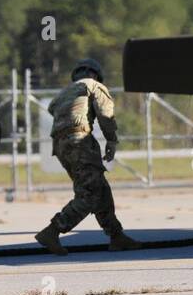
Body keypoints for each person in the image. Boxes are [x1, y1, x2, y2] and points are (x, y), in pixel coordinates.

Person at [34, 58, 140, 255]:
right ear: (96, 75)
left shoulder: (63, 93)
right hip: (80, 141)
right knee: (90, 193)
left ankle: (116, 236)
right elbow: (105, 114)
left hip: (61, 145)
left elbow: (53, 110)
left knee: (100, 188)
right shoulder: (93, 85)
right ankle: (53, 230)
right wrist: (111, 140)